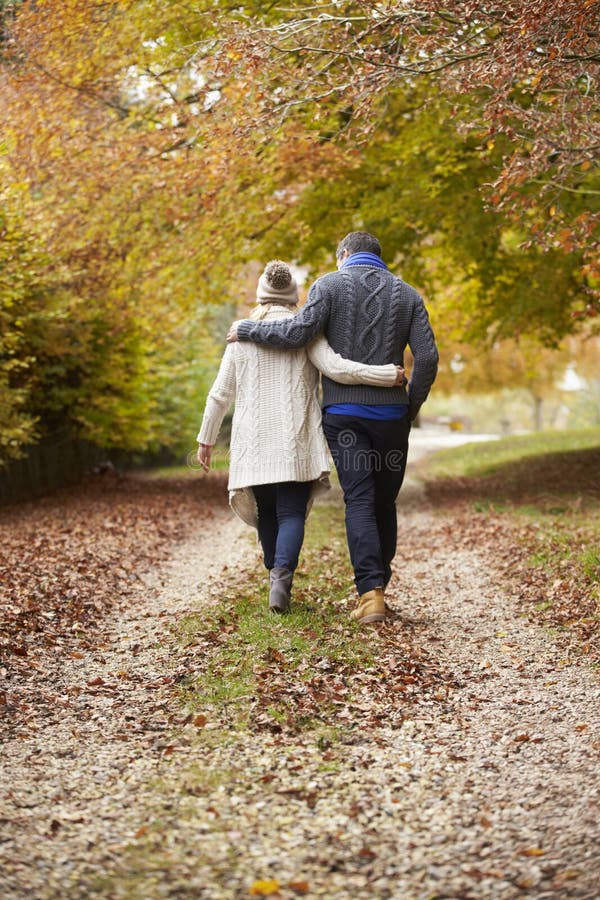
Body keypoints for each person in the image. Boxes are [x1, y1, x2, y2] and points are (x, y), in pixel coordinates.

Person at [227, 232, 439, 624]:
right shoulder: (407, 294)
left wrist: (247, 329)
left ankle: (370, 593)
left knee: (359, 499)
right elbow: (427, 358)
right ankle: (379, 589)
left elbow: (297, 334)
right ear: (379, 257)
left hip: (344, 416)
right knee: (383, 503)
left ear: (344, 255)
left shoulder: (329, 284)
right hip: (390, 418)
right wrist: (410, 407)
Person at [197, 259, 405, 614]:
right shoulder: (306, 333)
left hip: (254, 440)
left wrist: (206, 438)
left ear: (262, 294)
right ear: (294, 297)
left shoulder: (241, 335)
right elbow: (339, 369)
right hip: (295, 439)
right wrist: (387, 375)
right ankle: (282, 574)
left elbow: (220, 393)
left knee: (267, 511)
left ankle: (274, 580)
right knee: (292, 511)